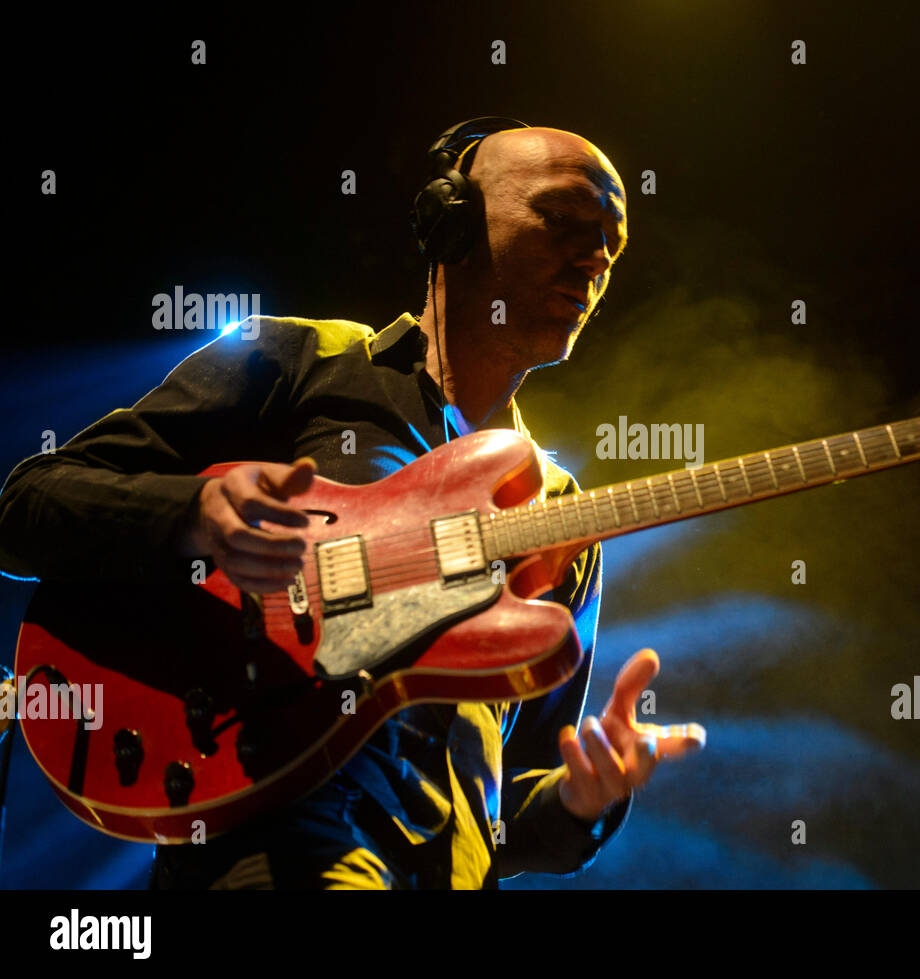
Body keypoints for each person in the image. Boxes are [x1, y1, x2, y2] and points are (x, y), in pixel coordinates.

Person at [0, 120, 705, 889]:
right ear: (453, 221)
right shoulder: (302, 362)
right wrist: (195, 513)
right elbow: (27, 510)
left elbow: (514, 803)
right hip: (272, 850)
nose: (597, 257)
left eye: (613, 241)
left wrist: (583, 799)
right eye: (564, 219)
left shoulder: (562, 517)